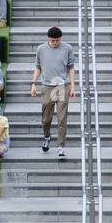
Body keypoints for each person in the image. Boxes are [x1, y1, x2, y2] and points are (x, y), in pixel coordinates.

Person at [30, 26, 76, 159]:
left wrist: (73, 86)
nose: (55, 42)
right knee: (46, 119)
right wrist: (33, 83)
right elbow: (38, 67)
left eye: (57, 40)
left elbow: (71, 67)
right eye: (53, 40)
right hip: (47, 86)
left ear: (60, 39)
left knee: (62, 118)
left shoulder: (67, 48)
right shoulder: (41, 49)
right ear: (48, 39)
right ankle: (47, 136)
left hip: (62, 85)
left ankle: (61, 146)